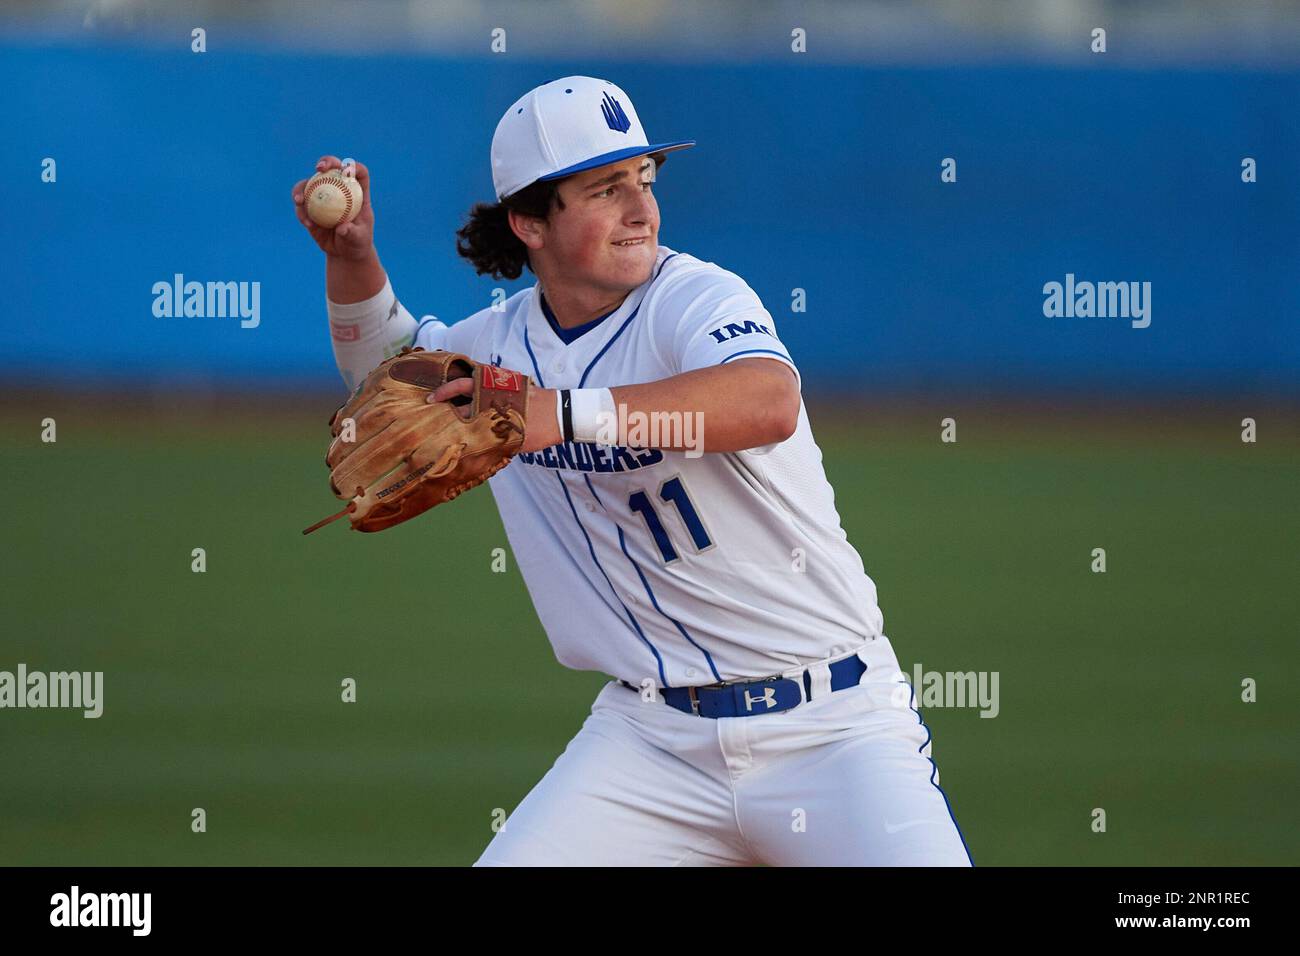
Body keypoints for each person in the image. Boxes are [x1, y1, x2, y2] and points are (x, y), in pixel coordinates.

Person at [291, 75, 972, 866]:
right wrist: (354, 258)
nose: (640, 207)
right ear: (529, 222)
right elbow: (389, 376)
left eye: (644, 180)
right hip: (650, 743)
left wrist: (557, 412)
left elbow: (767, 400)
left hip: (832, 725)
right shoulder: (498, 348)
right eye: (605, 189)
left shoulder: (697, 299)